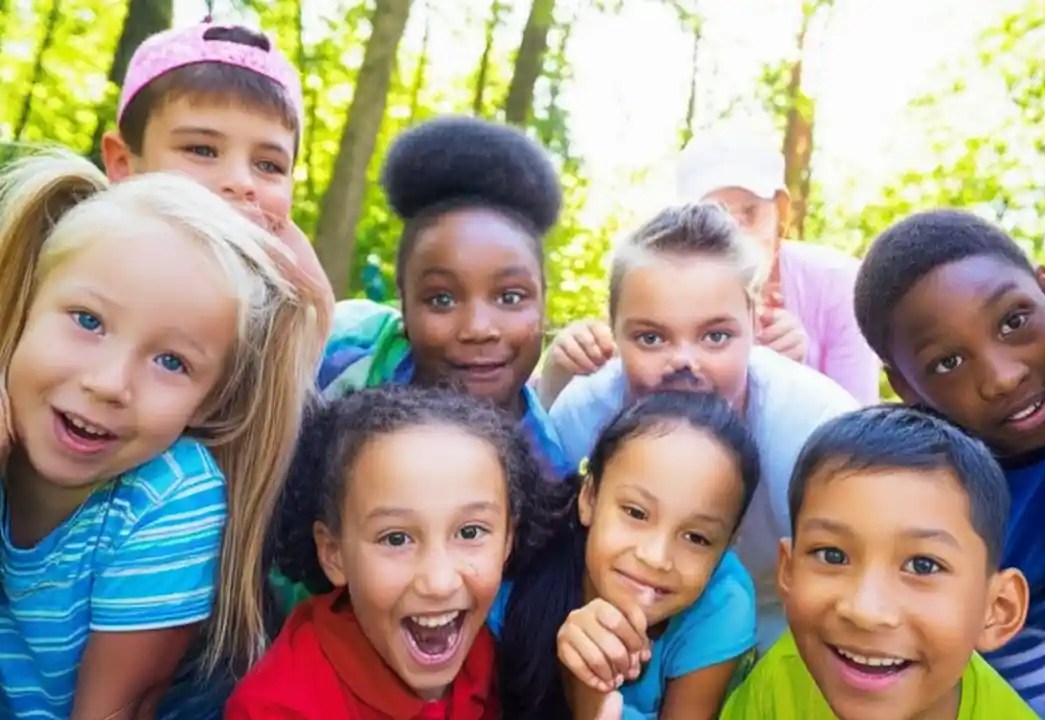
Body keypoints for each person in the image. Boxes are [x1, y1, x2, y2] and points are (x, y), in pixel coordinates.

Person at [0, 152, 321, 718]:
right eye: (88, 321)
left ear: (210, 399)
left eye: (171, 362)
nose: (109, 384)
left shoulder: (171, 494)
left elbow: (109, 712)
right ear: (27, 306)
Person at [550, 203, 858, 651]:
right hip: (627, 633)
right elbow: (541, 541)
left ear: (753, 325)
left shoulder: (812, 428)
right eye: (651, 338)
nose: (683, 362)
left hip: (788, 635)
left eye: (715, 336)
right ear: (614, 333)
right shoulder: (587, 412)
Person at [851, 209, 1045, 715]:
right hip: (980, 657)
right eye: (948, 363)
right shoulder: (921, 488)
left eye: (1014, 321)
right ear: (905, 386)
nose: (1002, 378)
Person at [229, 385, 551, 718]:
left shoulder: (494, 654)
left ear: (508, 540)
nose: (439, 583)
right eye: (396, 539)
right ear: (333, 552)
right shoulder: (278, 708)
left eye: (470, 532)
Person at [722, 405, 1035, 719]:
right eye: (832, 555)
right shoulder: (786, 674)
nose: (865, 611)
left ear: (998, 609)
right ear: (788, 572)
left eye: (923, 565)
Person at [539, 131, 880, 407]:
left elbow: (858, 428)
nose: (736, 234)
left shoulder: (839, 283)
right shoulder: (654, 284)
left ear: (782, 211)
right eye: (714, 215)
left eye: (750, 213)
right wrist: (562, 372)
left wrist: (787, 377)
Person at [318, 116, 572, 480]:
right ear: (403, 304)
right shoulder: (342, 355)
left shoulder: (549, 474)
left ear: (544, 303)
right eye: (442, 300)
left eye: (510, 297)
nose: (478, 329)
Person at [493, 391, 759, 719]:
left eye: (697, 537)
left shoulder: (721, 605)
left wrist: (596, 703)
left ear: (728, 545)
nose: (656, 557)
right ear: (589, 497)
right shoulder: (515, 573)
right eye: (635, 512)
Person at [100, 19, 333, 336]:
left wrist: (314, 313)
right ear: (123, 164)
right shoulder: (71, 278)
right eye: (202, 150)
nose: (241, 182)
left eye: (268, 166)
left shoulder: (278, 326)